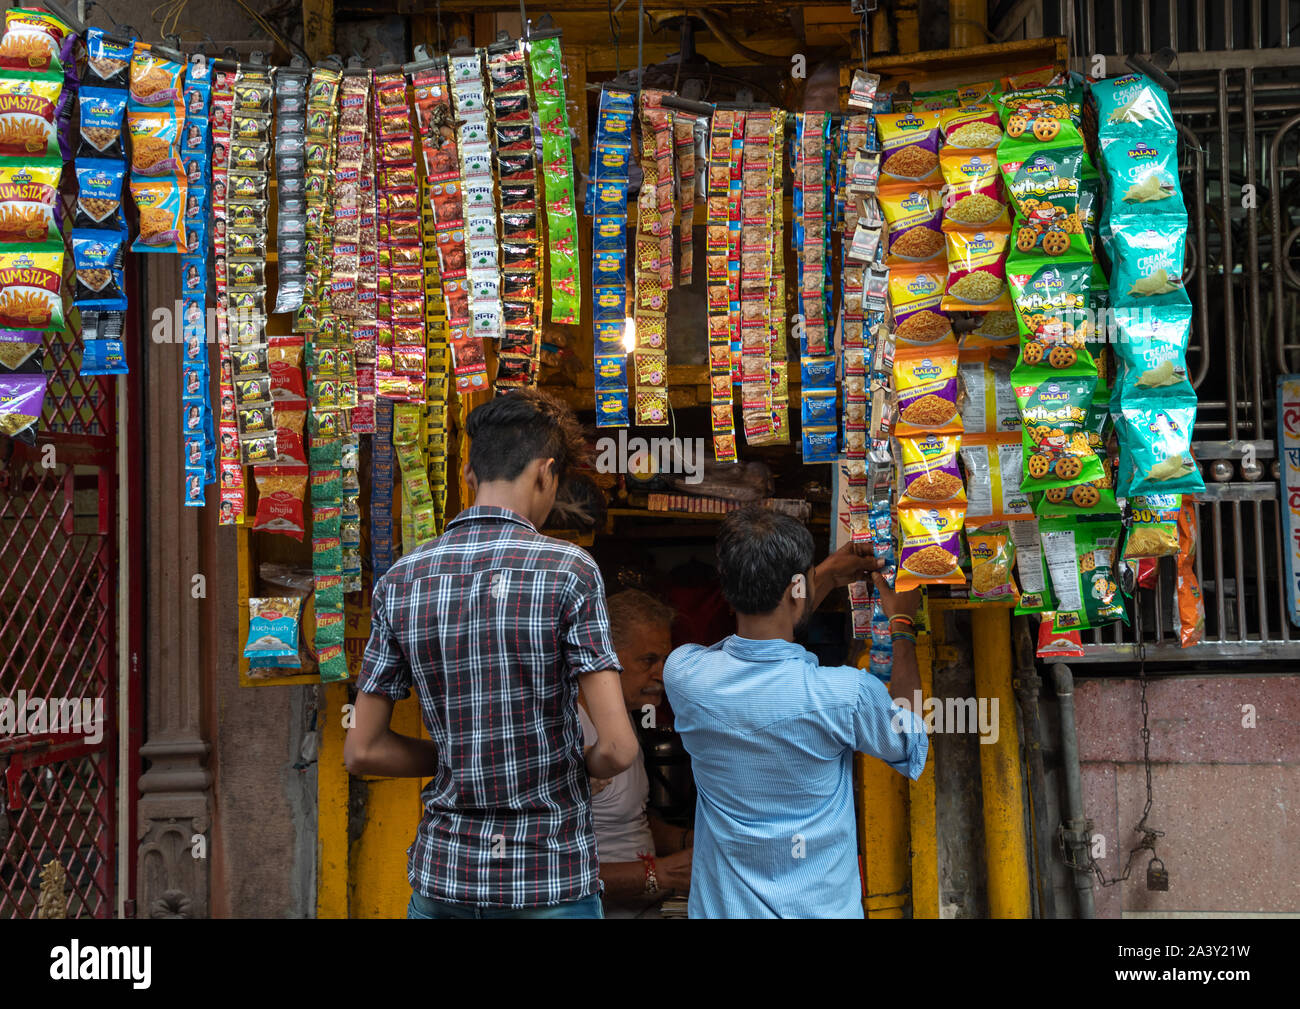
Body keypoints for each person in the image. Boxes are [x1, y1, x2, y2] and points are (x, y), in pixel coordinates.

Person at [346, 389, 639, 919]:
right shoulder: (568, 571)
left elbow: (362, 751)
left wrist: (464, 764)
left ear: (469, 477)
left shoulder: (402, 580)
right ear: (546, 474)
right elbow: (617, 748)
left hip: (445, 879)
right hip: (548, 879)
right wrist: (571, 767)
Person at [663, 506, 928, 919]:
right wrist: (901, 623)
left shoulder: (685, 676)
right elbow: (910, 736)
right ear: (795, 589)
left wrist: (819, 577)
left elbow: (758, 641)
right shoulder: (846, 695)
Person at [578, 589, 692, 917]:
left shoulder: (622, 717)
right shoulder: (573, 729)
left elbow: (628, 821)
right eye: (648, 660)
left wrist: (689, 843)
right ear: (607, 657)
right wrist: (663, 874)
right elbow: (547, 870)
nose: (661, 674)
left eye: (665, 660)